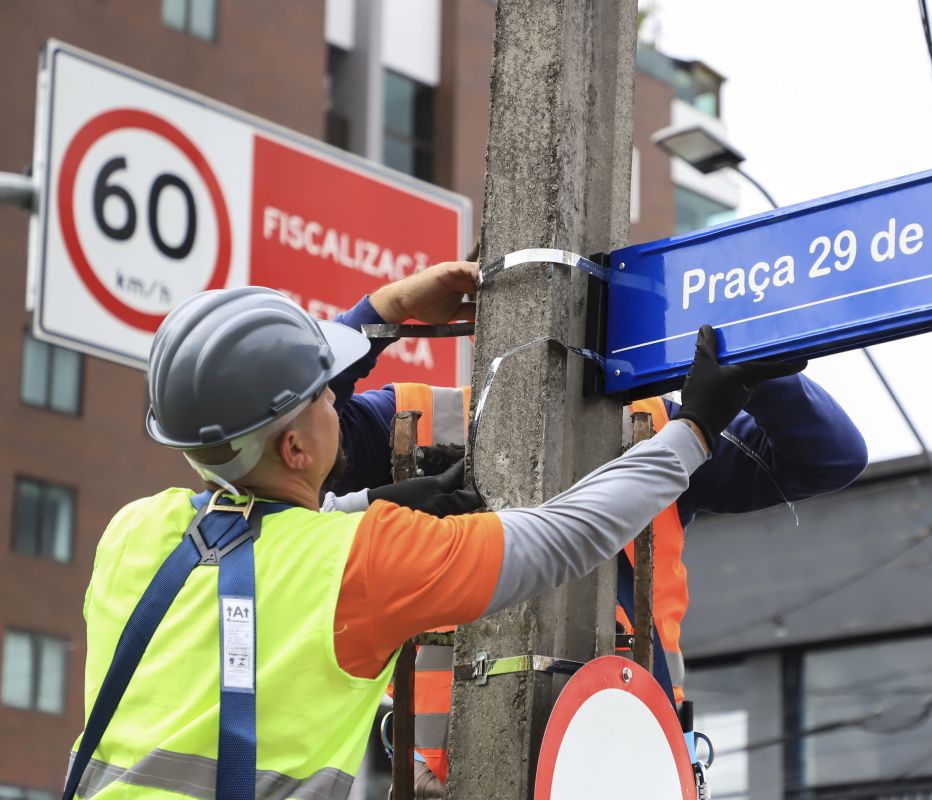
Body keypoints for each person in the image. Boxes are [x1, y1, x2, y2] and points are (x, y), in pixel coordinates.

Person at [63, 264, 802, 800]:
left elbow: (257, 554)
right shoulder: (366, 562)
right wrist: (695, 429)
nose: (338, 400)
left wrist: (378, 315)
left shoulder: (132, 532)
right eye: (325, 394)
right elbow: (563, 536)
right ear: (295, 450)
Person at [322, 263, 868, 794]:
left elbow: (830, 458)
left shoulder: (657, 425)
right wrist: (381, 312)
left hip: (631, 766)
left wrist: (748, 364)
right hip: (451, 778)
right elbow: (289, 429)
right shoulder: (415, 418)